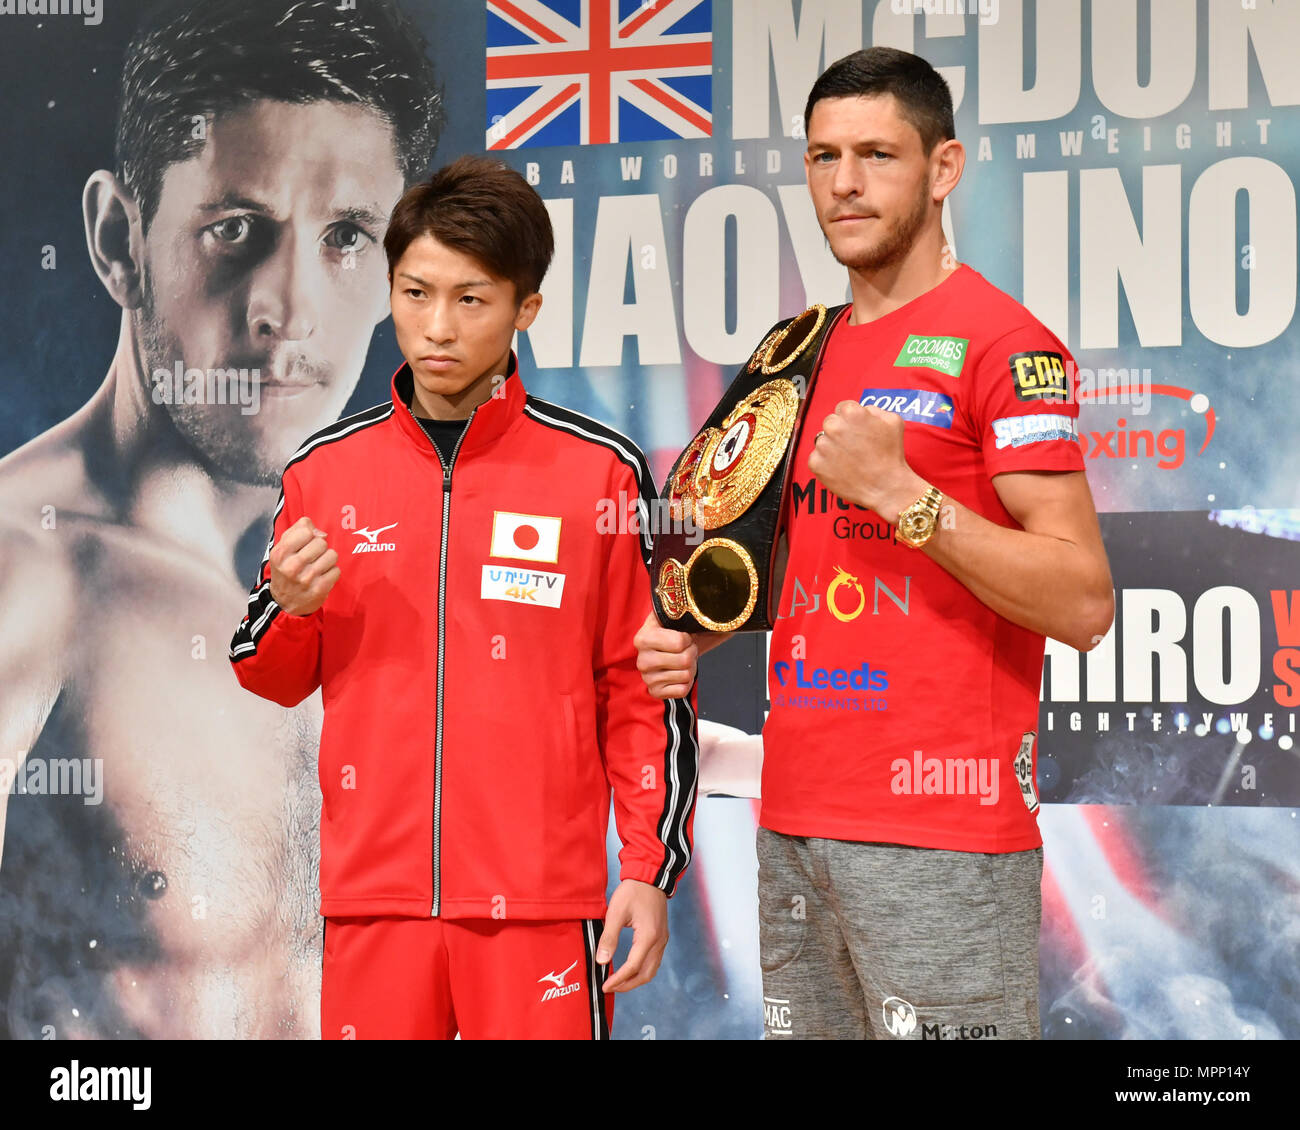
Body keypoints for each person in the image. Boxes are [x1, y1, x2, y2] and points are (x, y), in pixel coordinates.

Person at [636, 46, 1115, 1040]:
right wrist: (694, 636)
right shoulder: (796, 351)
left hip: (940, 835)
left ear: (943, 169)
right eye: (822, 157)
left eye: (876, 155)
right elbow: (783, 563)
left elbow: (1080, 600)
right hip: (792, 819)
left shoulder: (1003, 345)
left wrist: (904, 493)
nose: (844, 184)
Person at [0, 0, 441, 1038]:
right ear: (118, 239)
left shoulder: (372, 583)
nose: (286, 306)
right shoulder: (31, 568)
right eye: (235, 229)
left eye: (346, 237)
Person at [229, 155, 699, 1040]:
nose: (436, 327)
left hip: (540, 911)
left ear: (526, 309)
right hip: (375, 907)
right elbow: (270, 675)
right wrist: (288, 607)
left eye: (471, 300)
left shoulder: (601, 472)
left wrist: (646, 866)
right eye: (414, 293)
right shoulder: (323, 472)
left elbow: (644, 689)